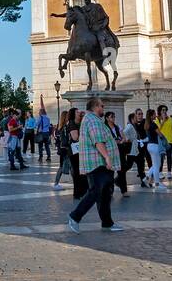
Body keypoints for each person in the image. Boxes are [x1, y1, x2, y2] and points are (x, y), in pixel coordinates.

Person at [67, 97, 123, 233]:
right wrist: (107, 157)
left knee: (105, 195)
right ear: (95, 106)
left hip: (99, 163)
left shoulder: (93, 120)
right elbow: (98, 141)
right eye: (102, 106)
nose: (103, 108)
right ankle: (75, 216)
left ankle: (107, 223)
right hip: (98, 163)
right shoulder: (93, 120)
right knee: (95, 192)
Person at [106, 110, 129, 196]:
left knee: (122, 170)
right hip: (110, 151)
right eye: (112, 117)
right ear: (107, 118)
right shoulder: (105, 128)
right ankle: (110, 190)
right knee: (110, 172)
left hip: (120, 150)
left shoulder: (117, 127)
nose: (113, 118)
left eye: (114, 117)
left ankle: (124, 190)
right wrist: (113, 142)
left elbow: (124, 137)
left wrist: (121, 141)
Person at [52, 110, 73, 189]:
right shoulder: (65, 127)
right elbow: (65, 140)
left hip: (62, 149)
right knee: (69, 167)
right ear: (65, 117)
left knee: (64, 166)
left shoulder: (59, 127)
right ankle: (56, 184)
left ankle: (56, 183)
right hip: (66, 149)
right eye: (68, 116)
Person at [156, 105, 172, 180]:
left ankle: (169, 172)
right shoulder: (157, 119)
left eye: (165, 110)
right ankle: (160, 172)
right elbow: (158, 129)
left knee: (169, 157)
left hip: (169, 141)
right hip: (161, 141)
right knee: (161, 157)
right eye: (162, 110)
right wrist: (163, 121)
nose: (164, 111)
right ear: (160, 111)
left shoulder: (170, 119)